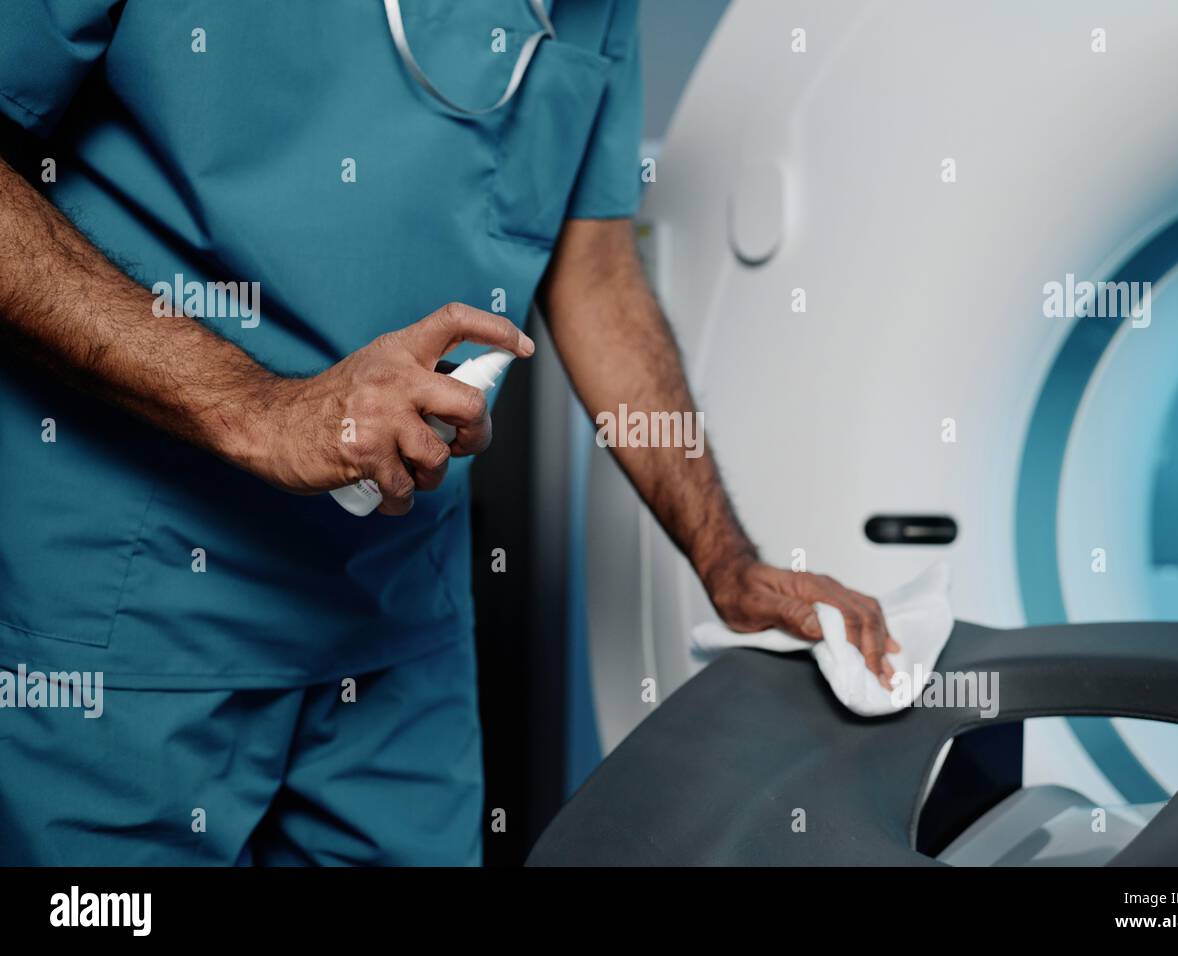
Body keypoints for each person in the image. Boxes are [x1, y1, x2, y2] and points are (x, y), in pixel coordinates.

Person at [0, 0, 895, 865]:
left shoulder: (595, 9)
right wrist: (259, 409)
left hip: (396, 613)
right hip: (133, 609)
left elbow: (597, 275)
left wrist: (725, 561)